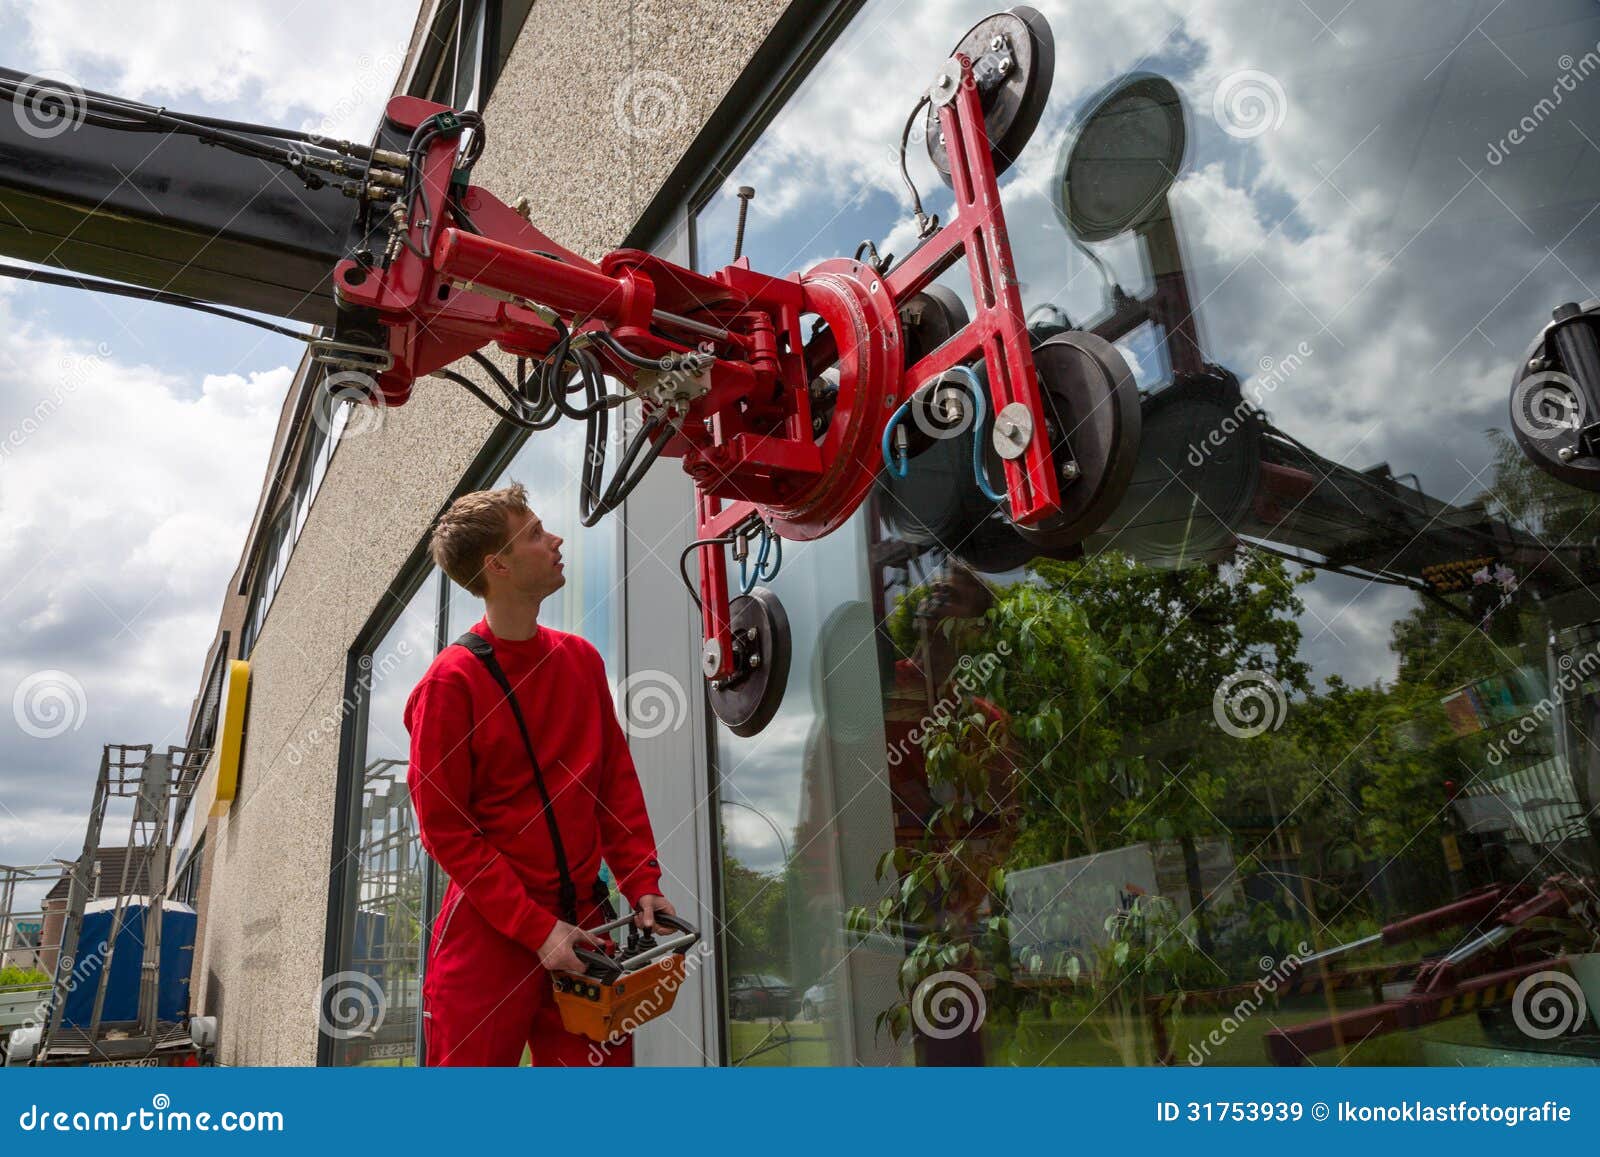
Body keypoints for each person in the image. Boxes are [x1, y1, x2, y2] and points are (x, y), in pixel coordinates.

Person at [404, 483, 675, 1066]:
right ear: (496, 566)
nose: (554, 540)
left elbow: (614, 786)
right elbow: (445, 829)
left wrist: (641, 882)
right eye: (533, 534)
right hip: (489, 933)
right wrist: (535, 929)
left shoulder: (580, 662)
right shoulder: (450, 683)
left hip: (586, 927)